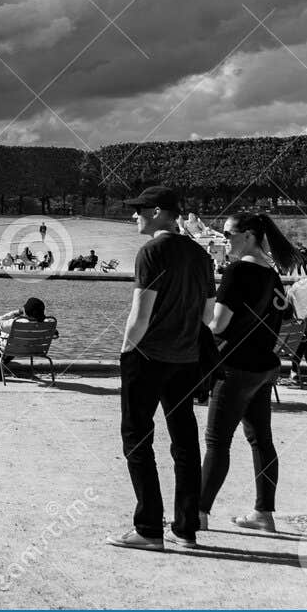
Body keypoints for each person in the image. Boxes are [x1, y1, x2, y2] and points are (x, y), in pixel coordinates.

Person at [107, 186, 214, 552]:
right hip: (185, 359)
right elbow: (210, 317)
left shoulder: (151, 251)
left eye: (138, 210)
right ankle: (185, 530)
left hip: (148, 356)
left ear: (155, 212)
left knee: (137, 438)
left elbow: (140, 315)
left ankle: (149, 528)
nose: (133, 216)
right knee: (184, 443)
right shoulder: (202, 256)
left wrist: (125, 353)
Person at [199, 212, 298, 533]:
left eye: (228, 235)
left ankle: (197, 513)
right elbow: (280, 323)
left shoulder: (237, 272)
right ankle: (263, 513)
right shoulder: (272, 274)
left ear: (250, 236)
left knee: (216, 442)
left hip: (234, 367)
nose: (222, 240)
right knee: (261, 441)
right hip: (263, 368)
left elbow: (218, 324)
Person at [0, 296, 56, 365]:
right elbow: (55, 334)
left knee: (2, 335)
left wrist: (16, 312)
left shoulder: (17, 322)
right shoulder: (47, 324)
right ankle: (4, 360)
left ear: (26, 310)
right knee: (17, 337)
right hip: (35, 349)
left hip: (12, 348)